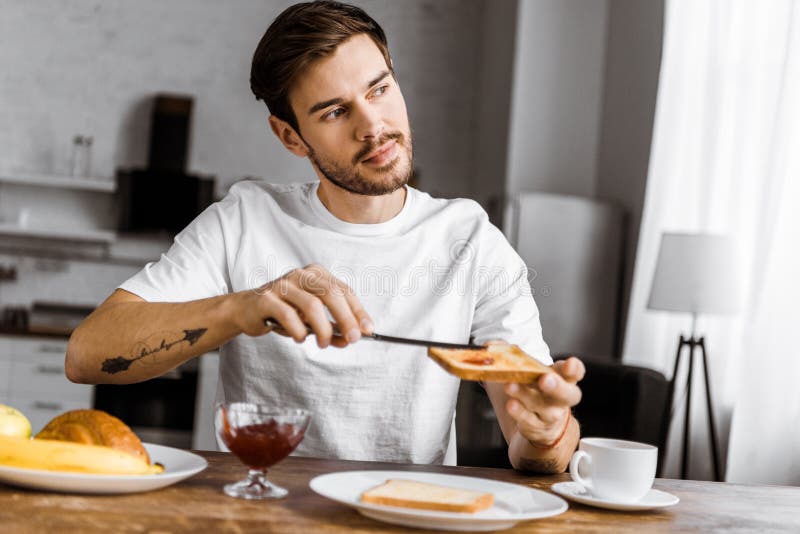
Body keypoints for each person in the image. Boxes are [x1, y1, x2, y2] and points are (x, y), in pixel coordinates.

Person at [66, 0, 584, 473]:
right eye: (335, 111)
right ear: (291, 136)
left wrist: (546, 433)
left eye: (380, 89)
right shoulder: (244, 219)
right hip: (261, 517)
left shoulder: (470, 239)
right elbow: (86, 355)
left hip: (405, 520)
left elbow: (538, 444)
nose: (373, 125)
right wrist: (236, 309)